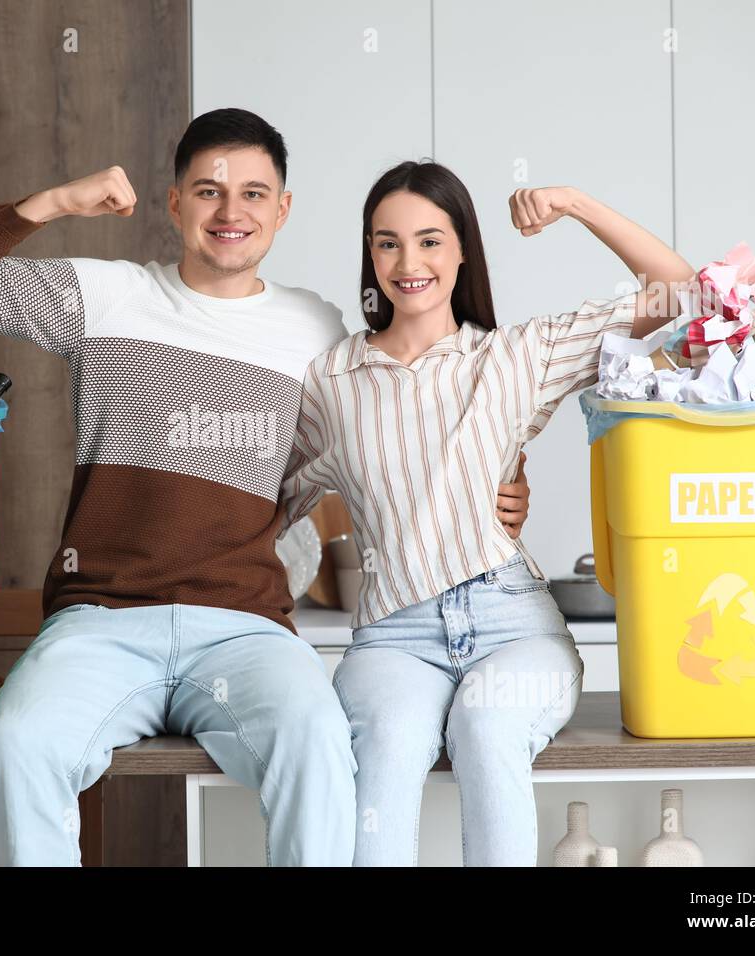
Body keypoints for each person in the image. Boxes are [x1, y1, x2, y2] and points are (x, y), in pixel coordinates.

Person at [0, 109, 533, 866]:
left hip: (244, 628)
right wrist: (57, 202)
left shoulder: (316, 331)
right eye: (209, 191)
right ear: (173, 203)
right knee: (17, 748)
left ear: (282, 209)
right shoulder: (103, 299)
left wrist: (503, 483)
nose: (232, 213)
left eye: (255, 193)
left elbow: (405, 418)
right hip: (100, 624)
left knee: (319, 745)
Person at [279, 160, 694, 866]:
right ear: (369, 253)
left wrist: (576, 202)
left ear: (464, 247)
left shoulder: (514, 357)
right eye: (387, 242)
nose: (408, 262)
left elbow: (682, 292)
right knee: (383, 746)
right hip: (393, 636)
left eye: (431, 240)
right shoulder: (329, 381)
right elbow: (260, 508)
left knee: (487, 724)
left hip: (512, 624)